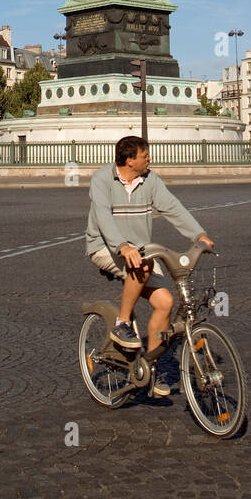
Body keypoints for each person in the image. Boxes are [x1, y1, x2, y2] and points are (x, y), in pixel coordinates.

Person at [86, 135, 214, 397]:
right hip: (105, 247)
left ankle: (149, 371)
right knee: (142, 267)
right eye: (146, 155)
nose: (150, 159)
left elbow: (172, 208)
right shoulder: (101, 180)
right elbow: (102, 217)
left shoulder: (150, 180)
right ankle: (122, 322)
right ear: (130, 160)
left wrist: (198, 235)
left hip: (140, 250)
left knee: (165, 302)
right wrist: (122, 246)